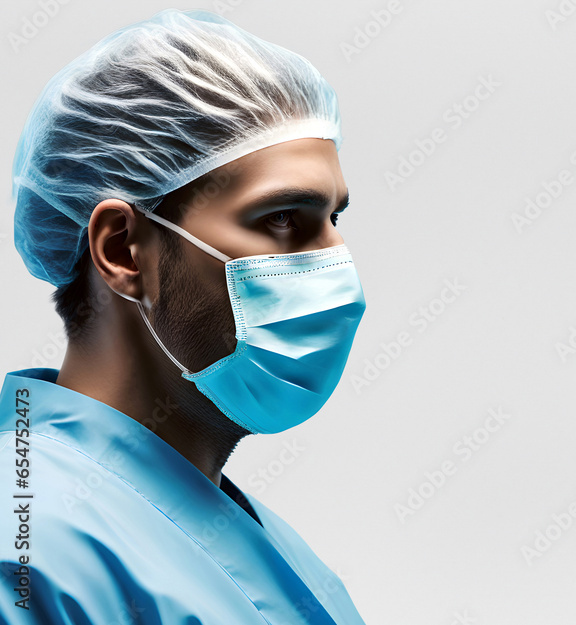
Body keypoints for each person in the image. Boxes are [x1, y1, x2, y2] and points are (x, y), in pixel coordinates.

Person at [0, 8, 369, 624]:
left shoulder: (279, 559)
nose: (340, 271)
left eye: (334, 220)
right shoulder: (30, 551)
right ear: (122, 249)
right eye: (282, 219)